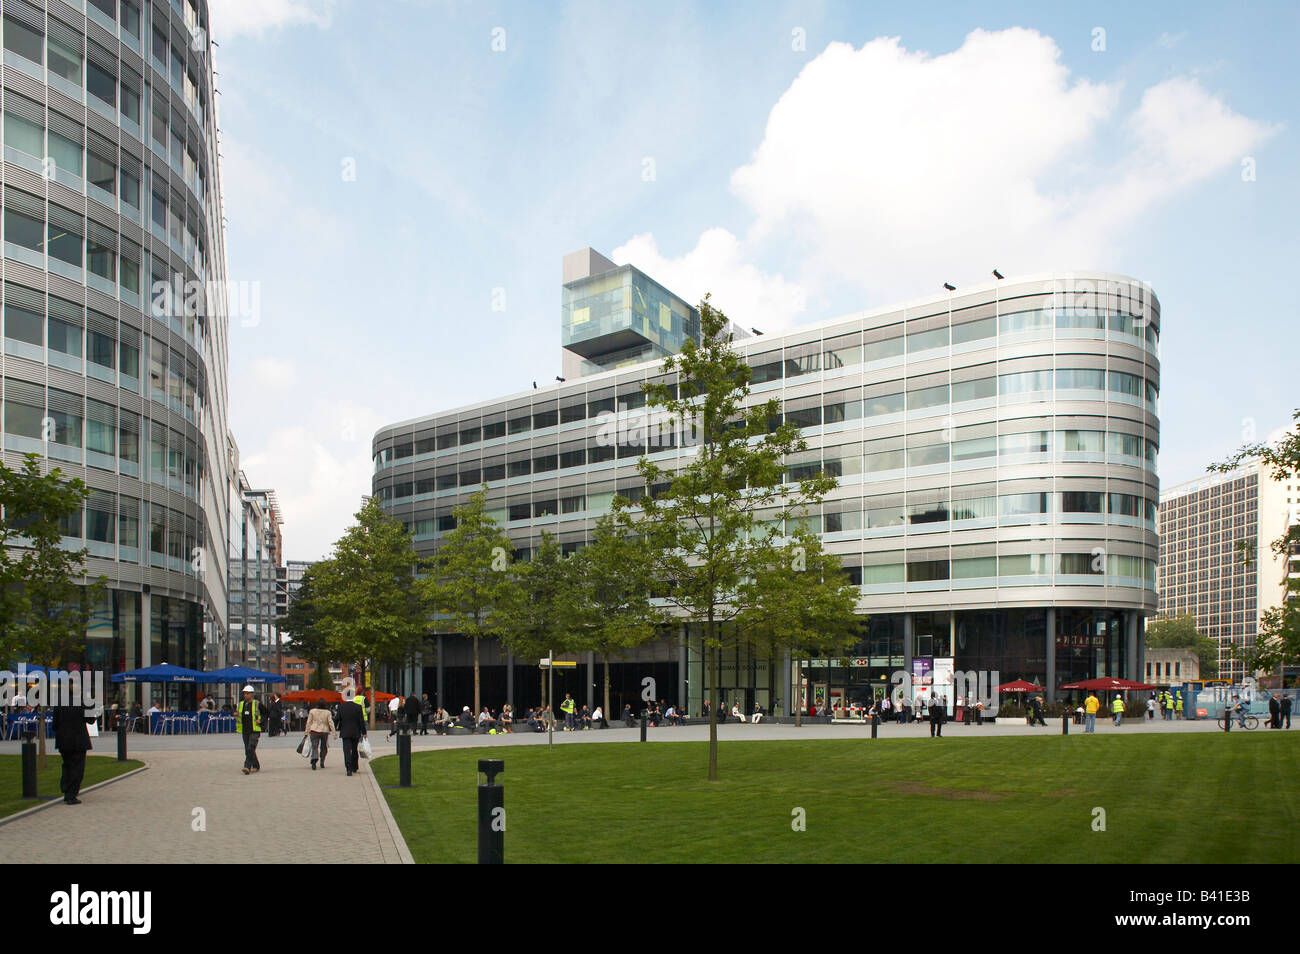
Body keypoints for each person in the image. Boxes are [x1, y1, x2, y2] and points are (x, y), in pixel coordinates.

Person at [52, 702, 94, 804]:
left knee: (67, 765)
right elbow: (91, 720)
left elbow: (54, 725)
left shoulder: (59, 703)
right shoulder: (83, 703)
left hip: (63, 740)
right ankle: (71, 794)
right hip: (78, 741)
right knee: (77, 767)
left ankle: (66, 789)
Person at [337, 695, 367, 776]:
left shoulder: (341, 707)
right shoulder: (358, 707)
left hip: (345, 732)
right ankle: (354, 767)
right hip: (355, 731)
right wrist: (364, 732)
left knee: (346, 750)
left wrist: (336, 728)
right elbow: (361, 721)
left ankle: (348, 768)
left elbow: (337, 719)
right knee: (354, 749)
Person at [235, 686, 262, 774]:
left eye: (247, 693)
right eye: (244, 693)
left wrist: (260, 720)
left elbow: (266, 713)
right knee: (248, 749)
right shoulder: (241, 704)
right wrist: (235, 713)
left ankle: (247, 766)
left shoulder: (257, 704)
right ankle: (256, 765)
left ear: (252, 694)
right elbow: (236, 712)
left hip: (255, 730)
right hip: (245, 730)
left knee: (251, 747)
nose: (245, 695)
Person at [305, 701, 336, 770]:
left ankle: (314, 758)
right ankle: (322, 761)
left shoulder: (312, 711)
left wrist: (306, 731)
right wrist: (334, 733)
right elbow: (331, 722)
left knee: (314, 746)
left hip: (314, 730)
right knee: (324, 747)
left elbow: (309, 722)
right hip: (324, 731)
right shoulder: (328, 712)